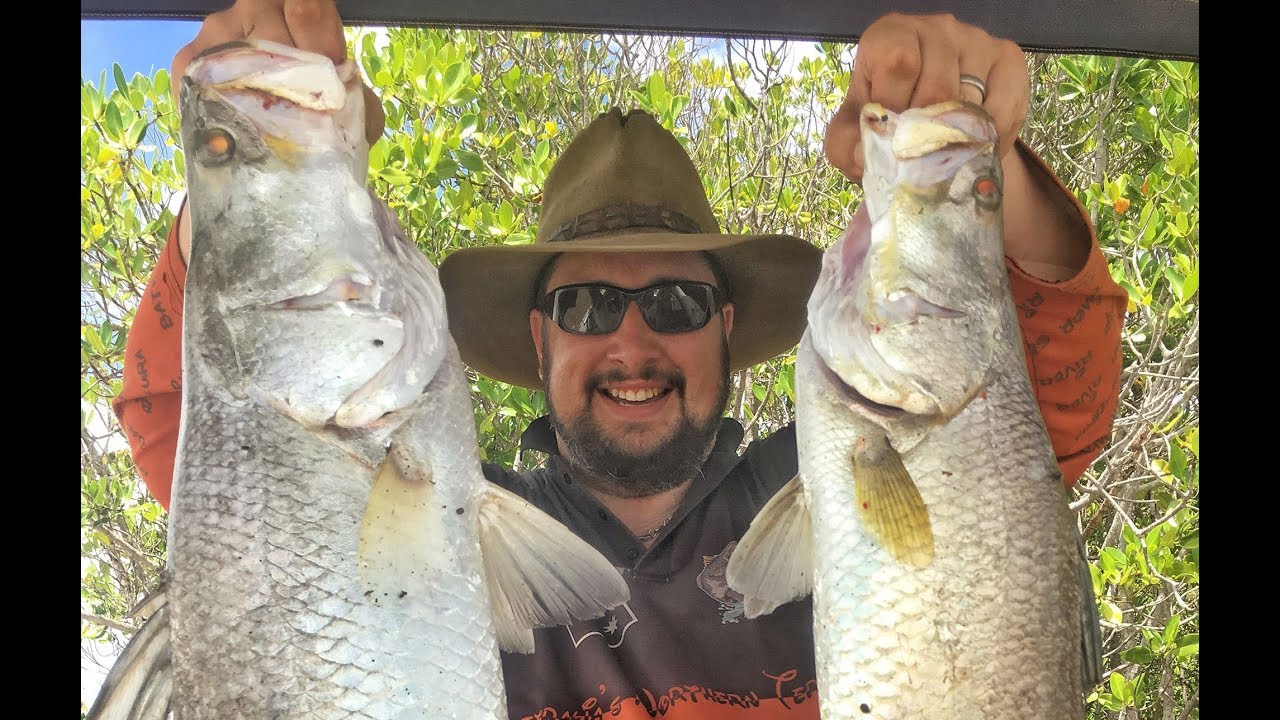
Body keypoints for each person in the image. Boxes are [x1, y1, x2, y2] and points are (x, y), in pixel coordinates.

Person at [110, 1, 1128, 717]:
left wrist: (974, 172)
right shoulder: (458, 518)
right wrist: (252, 191)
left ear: (727, 327)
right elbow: (210, 444)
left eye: (676, 303)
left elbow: (1025, 414)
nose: (632, 344)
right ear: (539, 336)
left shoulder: (819, 482)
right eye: (588, 304)